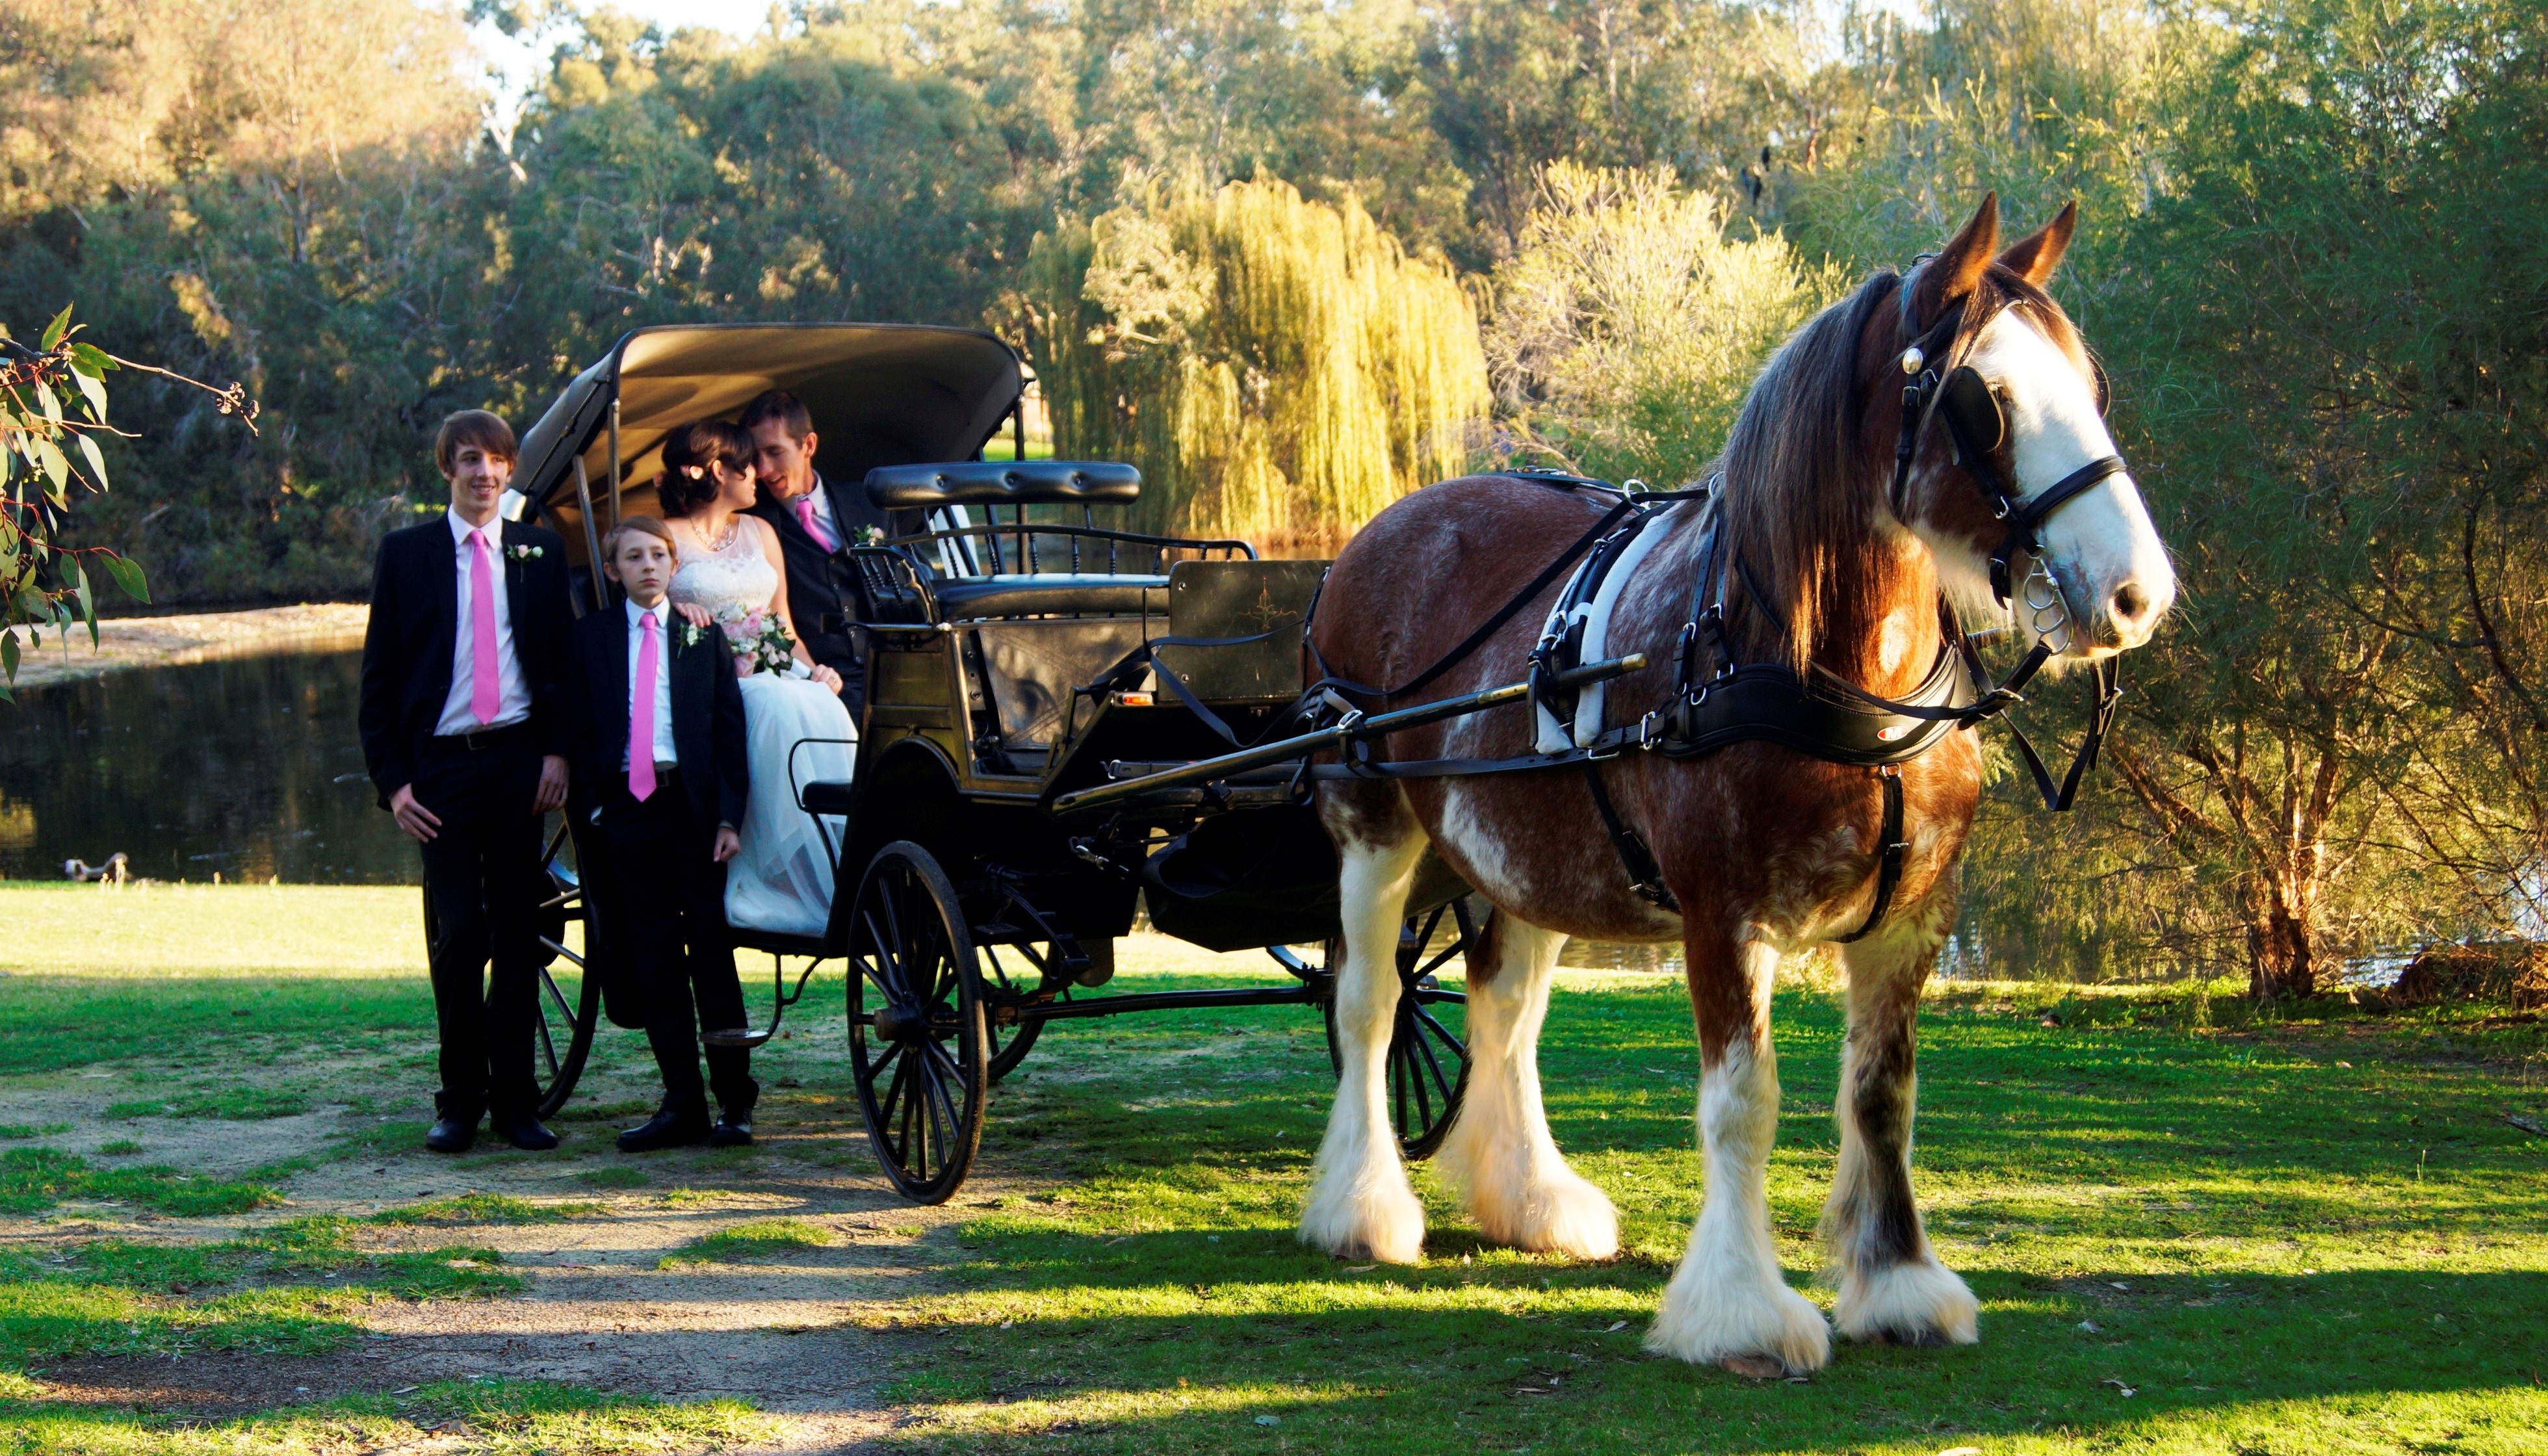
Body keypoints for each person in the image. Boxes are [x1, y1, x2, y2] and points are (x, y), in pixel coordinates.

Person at [358, 410, 572, 1155]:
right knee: (460, 933)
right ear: (447, 469)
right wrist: (393, 785)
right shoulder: (407, 554)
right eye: (470, 460)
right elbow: (378, 682)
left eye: (496, 460)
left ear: (511, 470)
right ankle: (458, 1102)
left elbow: (561, 668)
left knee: (519, 930)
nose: (484, 473)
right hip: (440, 768)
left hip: (517, 759)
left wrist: (557, 753)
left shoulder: (541, 553)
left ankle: (517, 1102)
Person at [567, 517, 758, 1150]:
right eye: (632, 556)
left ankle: (735, 1100)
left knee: (710, 950)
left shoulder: (700, 636)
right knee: (653, 955)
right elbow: (576, 721)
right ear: (614, 569)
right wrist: (596, 804)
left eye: (656, 554)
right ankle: (681, 1100)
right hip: (628, 808)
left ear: (672, 564)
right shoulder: (590, 638)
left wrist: (730, 816)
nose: (646, 565)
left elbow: (729, 731)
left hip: (693, 810)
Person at [657, 419, 859, 939]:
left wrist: (815, 670)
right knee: (775, 701)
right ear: (720, 471)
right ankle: (779, 873)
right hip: (707, 685)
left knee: (819, 702)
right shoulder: (665, 539)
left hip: (772, 670)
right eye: (748, 465)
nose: (759, 476)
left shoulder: (761, 532)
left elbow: (782, 624)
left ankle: (841, 869)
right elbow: (648, 614)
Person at [740, 389, 915, 711]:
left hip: (892, 671)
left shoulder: (869, 504)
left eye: (775, 452)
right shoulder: (751, 524)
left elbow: (904, 586)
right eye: (754, 457)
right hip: (817, 681)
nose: (763, 469)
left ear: (808, 445)